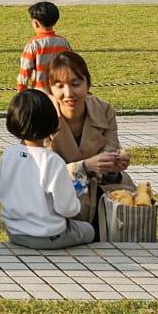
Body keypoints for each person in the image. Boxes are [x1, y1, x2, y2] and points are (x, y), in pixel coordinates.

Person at [0, 89, 96, 250]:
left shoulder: (8, 155)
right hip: (48, 235)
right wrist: (76, 201)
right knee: (89, 230)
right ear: (50, 121)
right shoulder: (52, 161)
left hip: (15, 232)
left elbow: (0, 191)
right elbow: (67, 209)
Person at [43, 49, 133, 223]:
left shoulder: (104, 110)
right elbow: (44, 169)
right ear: (50, 88)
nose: (69, 93)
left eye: (75, 84)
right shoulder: (43, 114)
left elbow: (111, 148)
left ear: (87, 84)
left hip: (102, 192)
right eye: (60, 86)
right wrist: (84, 167)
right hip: (58, 193)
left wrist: (113, 167)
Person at [16, 1, 71, 91]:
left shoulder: (33, 44)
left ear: (35, 23)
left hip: (40, 93)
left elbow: (25, 70)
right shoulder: (63, 42)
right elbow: (72, 64)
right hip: (59, 91)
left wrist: (21, 88)